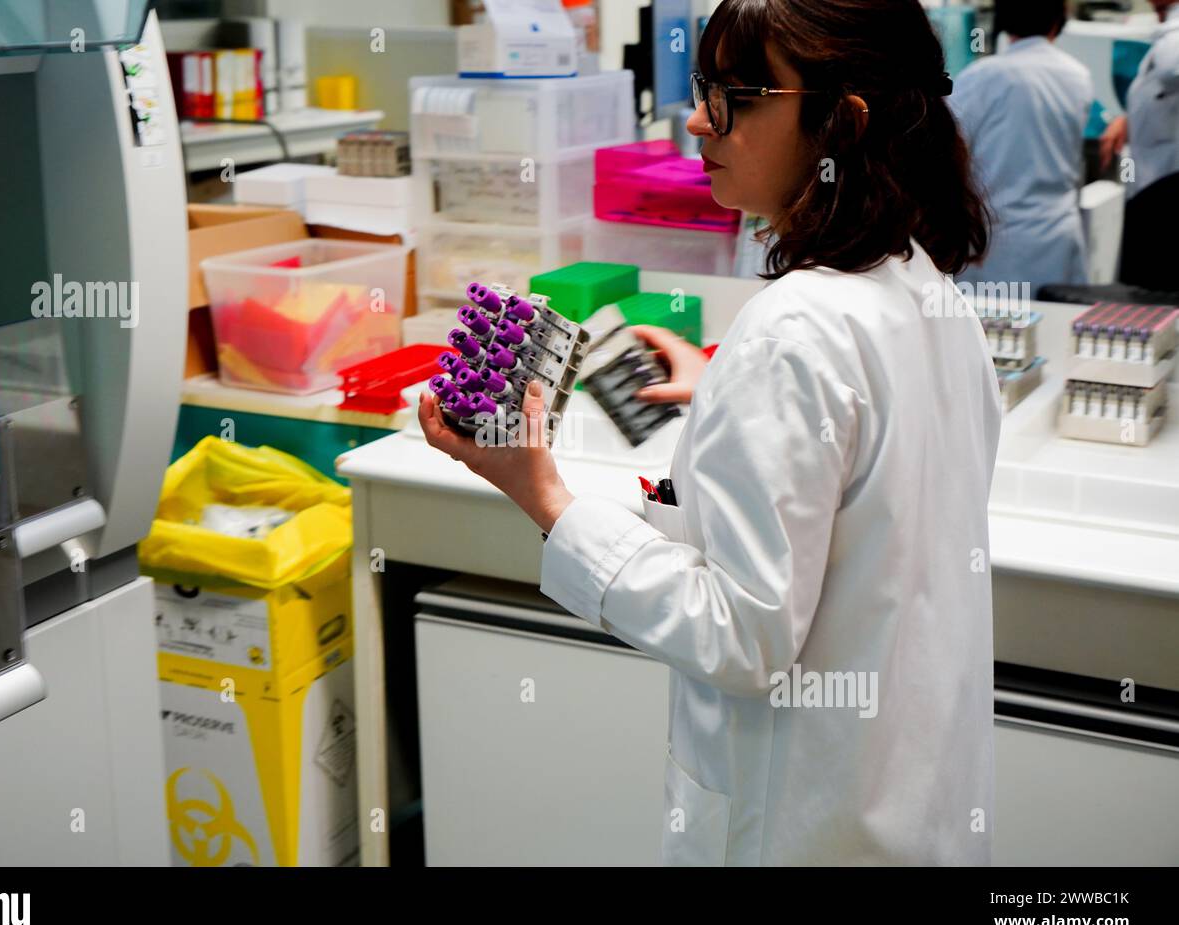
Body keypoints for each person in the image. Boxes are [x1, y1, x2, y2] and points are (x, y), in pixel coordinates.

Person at [419, 0, 999, 866]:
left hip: (798, 828)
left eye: (736, 96)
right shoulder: (929, 292)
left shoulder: (795, 331)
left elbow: (742, 635)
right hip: (903, 814)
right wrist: (727, 394)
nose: (699, 120)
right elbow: (861, 501)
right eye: (703, 89)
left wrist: (538, 491)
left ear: (843, 119)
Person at [950, 0, 1092, 294]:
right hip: (1058, 235)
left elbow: (950, 150)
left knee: (1001, 334)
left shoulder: (983, 75)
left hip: (999, 242)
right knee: (1058, 330)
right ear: (1057, 21)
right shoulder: (1078, 75)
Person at [1100, 0, 1179, 200]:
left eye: (1160, 9)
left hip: (1160, 186)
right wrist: (1128, 119)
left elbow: (1172, 70)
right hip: (1138, 179)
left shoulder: (1171, 39)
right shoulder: (1163, 40)